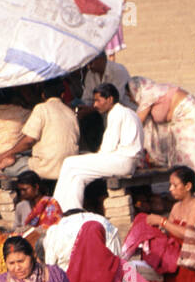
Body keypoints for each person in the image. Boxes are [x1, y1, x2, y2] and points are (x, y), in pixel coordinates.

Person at [53, 84, 143, 212]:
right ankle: (71, 212)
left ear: (110, 99)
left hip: (123, 161)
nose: (95, 105)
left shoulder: (117, 113)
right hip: (126, 161)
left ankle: (54, 209)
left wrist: (89, 158)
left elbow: (108, 148)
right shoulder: (127, 112)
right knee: (78, 176)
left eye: (98, 100)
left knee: (69, 162)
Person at [140, 166, 195, 282]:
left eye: (175, 185)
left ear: (188, 186)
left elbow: (189, 234)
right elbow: (169, 231)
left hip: (193, 252)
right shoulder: (175, 207)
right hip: (175, 251)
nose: (170, 189)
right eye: (170, 185)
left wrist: (162, 221)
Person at [0, 79, 80, 181]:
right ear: (63, 95)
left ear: (43, 95)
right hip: (67, 168)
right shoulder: (71, 113)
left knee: (7, 167)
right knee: (23, 153)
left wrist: (5, 154)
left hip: (45, 169)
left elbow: (29, 141)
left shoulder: (41, 108)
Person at [128, 77, 195, 171]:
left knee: (191, 158)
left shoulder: (149, 93)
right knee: (181, 159)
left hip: (191, 118)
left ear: (134, 91)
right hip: (182, 121)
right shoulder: (153, 91)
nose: (130, 100)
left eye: (129, 95)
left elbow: (137, 122)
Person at [12, 171, 65, 242]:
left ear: (36, 187)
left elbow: (57, 230)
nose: (22, 193)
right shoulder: (21, 206)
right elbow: (16, 229)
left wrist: (35, 231)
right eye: (20, 190)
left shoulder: (51, 204)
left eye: (25, 189)